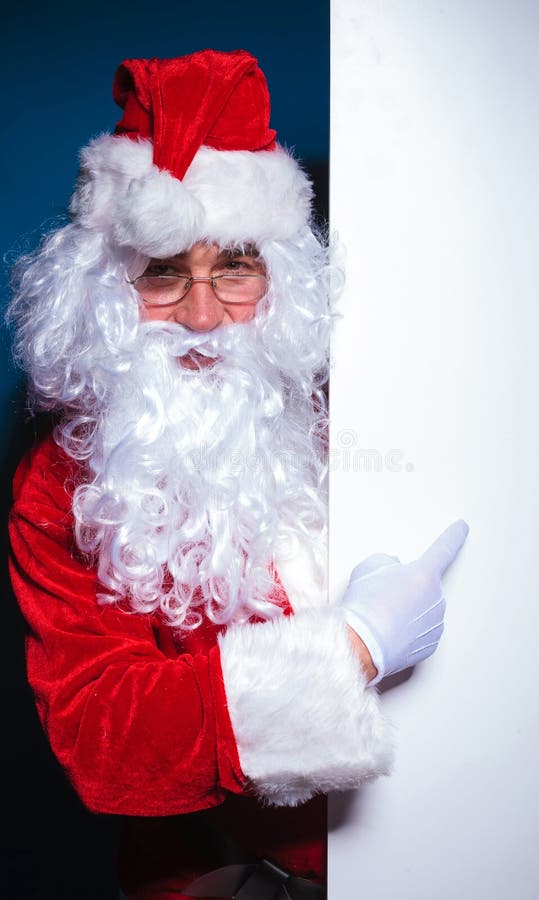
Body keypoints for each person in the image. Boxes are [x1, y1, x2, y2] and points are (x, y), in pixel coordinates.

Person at [7, 50, 468, 899]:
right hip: (223, 874)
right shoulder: (59, 485)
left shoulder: (367, 405)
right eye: (163, 272)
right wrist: (352, 649)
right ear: (106, 289)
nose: (203, 315)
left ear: (279, 276)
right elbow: (100, 735)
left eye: (236, 267)